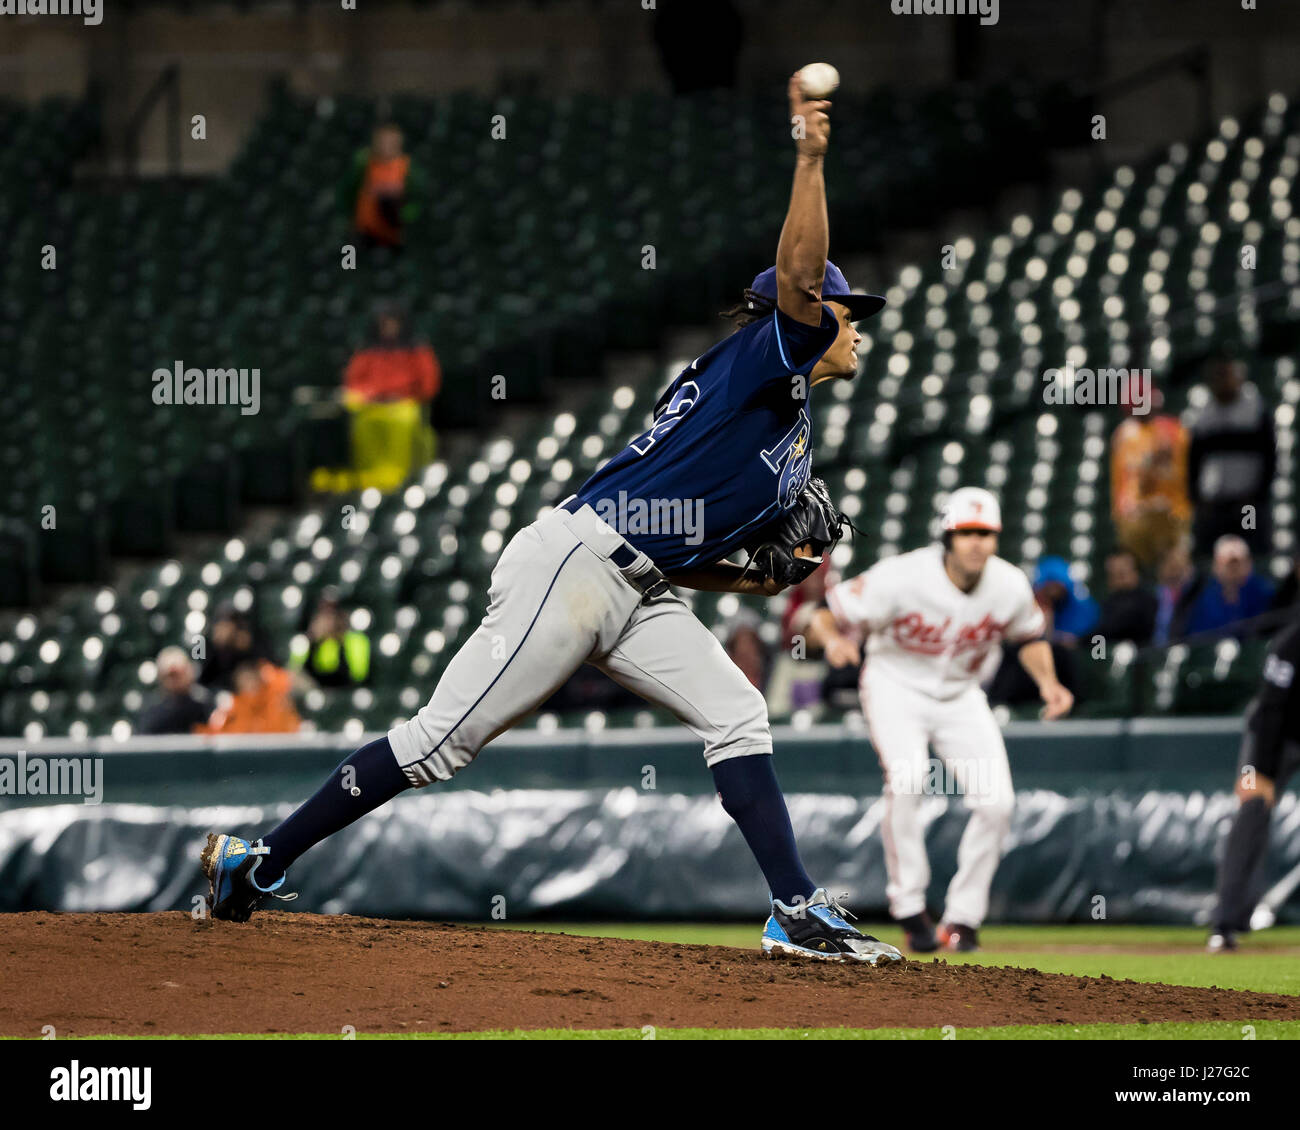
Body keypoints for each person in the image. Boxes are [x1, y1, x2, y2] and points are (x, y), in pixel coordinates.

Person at [201, 71, 903, 965]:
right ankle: (255, 860)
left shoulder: (782, 424)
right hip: (573, 568)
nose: (857, 328)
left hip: (637, 581)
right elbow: (803, 277)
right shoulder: (767, 357)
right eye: (849, 313)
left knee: (738, 711)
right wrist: (808, 158)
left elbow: (683, 556)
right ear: (803, 316)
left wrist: (760, 575)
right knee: (437, 744)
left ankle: (795, 908)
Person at [804, 488, 1074, 953]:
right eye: (965, 532)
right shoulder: (902, 576)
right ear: (947, 537)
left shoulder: (1008, 585)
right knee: (909, 781)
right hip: (895, 685)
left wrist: (1048, 683)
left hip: (960, 696)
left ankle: (964, 919)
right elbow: (822, 614)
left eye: (984, 533)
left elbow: (1029, 635)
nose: (975, 542)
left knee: (998, 803)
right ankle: (909, 907)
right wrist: (832, 642)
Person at [1207, 614, 1300, 952]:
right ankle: (1225, 922)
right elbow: (1272, 706)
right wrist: (1260, 771)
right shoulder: (1292, 641)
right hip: (1265, 740)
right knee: (1251, 814)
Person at [343, 306, 441, 492]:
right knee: (361, 424)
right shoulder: (367, 350)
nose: (389, 328)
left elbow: (429, 383)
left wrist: (412, 396)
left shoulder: (417, 349)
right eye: (384, 324)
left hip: (404, 403)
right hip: (372, 405)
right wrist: (365, 395)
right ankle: (370, 480)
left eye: (392, 324)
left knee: (403, 420)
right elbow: (353, 381)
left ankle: (401, 479)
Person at [1187, 353, 1276, 558]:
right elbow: (1193, 462)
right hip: (1215, 505)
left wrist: (1258, 495)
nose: (1223, 382)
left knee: (1253, 549)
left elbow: (1270, 458)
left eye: (1227, 375)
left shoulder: (1256, 411)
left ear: (1239, 377)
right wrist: (1198, 498)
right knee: (1209, 555)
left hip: (1248, 503)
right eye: (1218, 376)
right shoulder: (1202, 415)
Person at [1109, 380, 1190, 569]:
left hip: (1171, 513)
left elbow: (1177, 475)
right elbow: (1126, 484)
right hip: (1134, 517)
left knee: (1173, 568)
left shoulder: (1173, 430)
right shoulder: (1123, 434)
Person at [339, 123, 425, 249]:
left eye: (391, 142)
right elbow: (346, 193)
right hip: (364, 233)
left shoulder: (407, 168)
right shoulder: (363, 164)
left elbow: (418, 200)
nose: (385, 146)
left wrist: (403, 217)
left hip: (393, 235)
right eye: (382, 141)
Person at [1182, 535, 1275, 638]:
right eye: (1228, 565)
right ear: (1216, 566)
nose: (1233, 570)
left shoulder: (1264, 593)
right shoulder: (1202, 598)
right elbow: (1197, 636)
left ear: (1248, 563)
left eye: (1237, 564)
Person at [198, 659, 301, 735]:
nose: (248, 684)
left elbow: (290, 731)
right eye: (243, 680)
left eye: (250, 679)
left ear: (258, 680)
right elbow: (215, 735)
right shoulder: (229, 709)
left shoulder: (276, 703)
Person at [290, 593, 371, 689]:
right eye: (323, 613)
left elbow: (358, 675)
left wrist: (340, 639)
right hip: (314, 692)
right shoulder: (305, 641)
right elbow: (294, 669)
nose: (327, 620)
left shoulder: (354, 640)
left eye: (332, 614)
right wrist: (311, 639)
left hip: (344, 692)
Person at [138, 647, 212, 735]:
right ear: (161, 678)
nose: (175, 681)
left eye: (179, 674)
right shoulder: (152, 711)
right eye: (170, 676)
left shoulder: (205, 703)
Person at [1094, 548, 1158, 647]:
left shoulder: (1146, 601)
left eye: (1121, 574)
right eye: (1112, 575)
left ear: (1136, 573)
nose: (1117, 580)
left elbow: (1112, 629)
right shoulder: (1107, 603)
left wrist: (1081, 640)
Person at [1153, 540, 1204, 646]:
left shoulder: (1198, 594)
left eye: (1179, 566)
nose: (1175, 572)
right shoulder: (1152, 597)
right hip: (1154, 652)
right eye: (1170, 566)